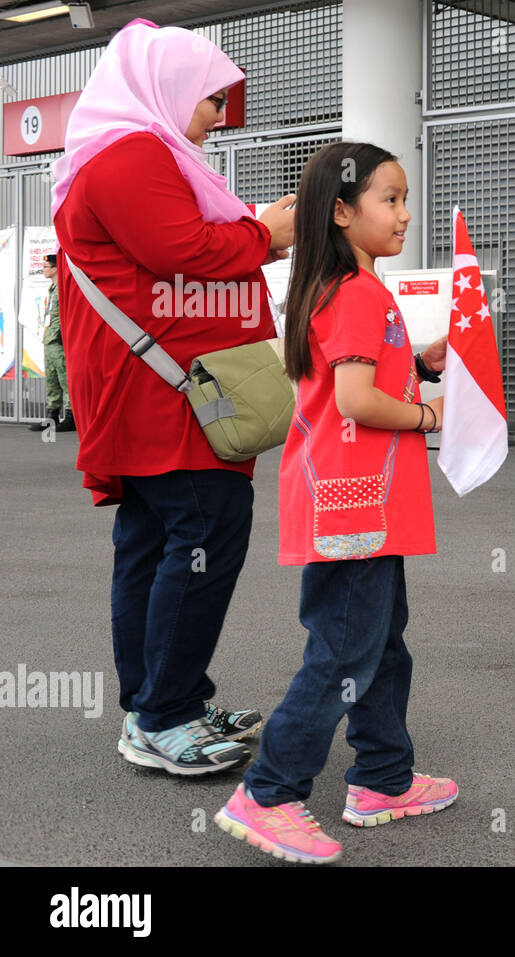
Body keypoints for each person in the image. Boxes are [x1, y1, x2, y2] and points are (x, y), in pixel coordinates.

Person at [52, 19, 297, 774]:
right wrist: (266, 233)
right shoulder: (133, 155)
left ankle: (160, 701)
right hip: (169, 398)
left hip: (152, 390)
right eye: (212, 99)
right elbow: (183, 249)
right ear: (169, 89)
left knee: (154, 544)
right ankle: (164, 714)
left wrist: (258, 230)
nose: (219, 115)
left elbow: (173, 246)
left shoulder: (126, 152)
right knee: (202, 531)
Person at [215, 142, 455, 864]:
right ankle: (267, 791)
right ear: (343, 211)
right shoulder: (353, 290)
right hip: (355, 505)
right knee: (344, 648)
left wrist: (418, 361)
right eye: (390, 199)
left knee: (379, 640)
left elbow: (346, 375)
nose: (405, 212)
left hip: (363, 504)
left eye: (405, 197)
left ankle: (383, 776)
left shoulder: (343, 286)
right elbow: (353, 397)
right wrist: (428, 416)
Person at [29, 253, 74, 433]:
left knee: (65, 378)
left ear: (55, 268)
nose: (43, 270)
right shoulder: (52, 288)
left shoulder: (63, 288)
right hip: (50, 338)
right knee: (52, 380)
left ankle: (71, 416)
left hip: (59, 339)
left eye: (46, 267)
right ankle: (52, 415)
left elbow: (68, 312)